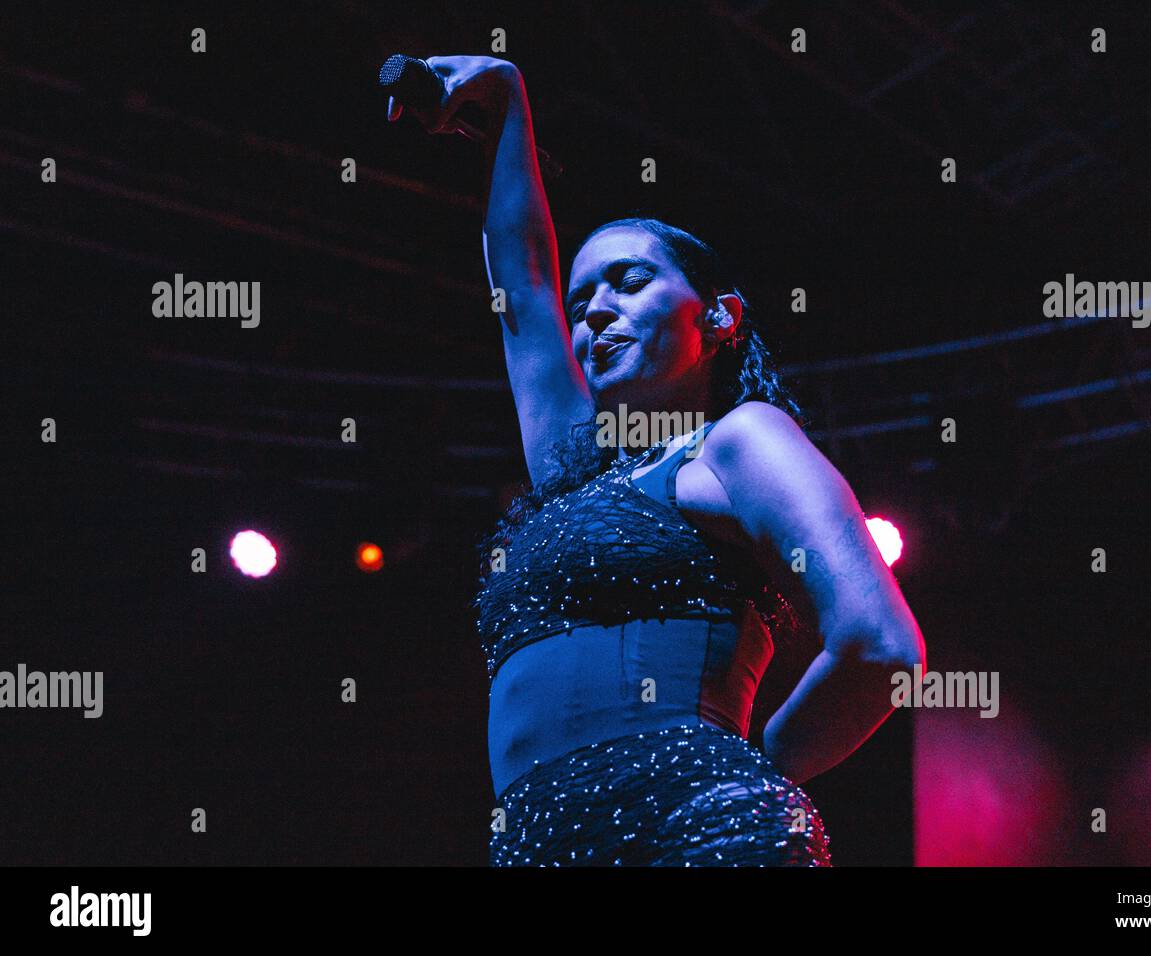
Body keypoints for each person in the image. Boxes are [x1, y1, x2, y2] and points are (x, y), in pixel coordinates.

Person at [389, 55, 926, 866]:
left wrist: (734, 774)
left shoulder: (739, 441)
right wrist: (506, 106)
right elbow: (523, 284)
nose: (595, 311)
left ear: (719, 316)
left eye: (630, 283)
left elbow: (881, 647)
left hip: (700, 830)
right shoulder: (573, 471)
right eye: (584, 304)